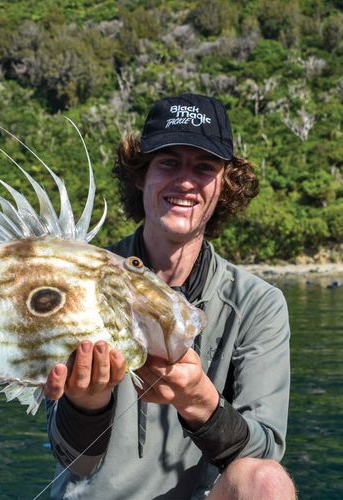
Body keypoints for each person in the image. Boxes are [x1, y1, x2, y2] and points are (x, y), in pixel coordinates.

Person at [44, 93, 294, 499]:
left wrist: (200, 402)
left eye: (204, 167)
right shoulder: (82, 280)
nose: (185, 181)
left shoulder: (257, 304)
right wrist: (88, 403)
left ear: (224, 184)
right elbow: (75, 461)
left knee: (266, 480)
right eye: (169, 162)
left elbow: (264, 457)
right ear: (141, 174)